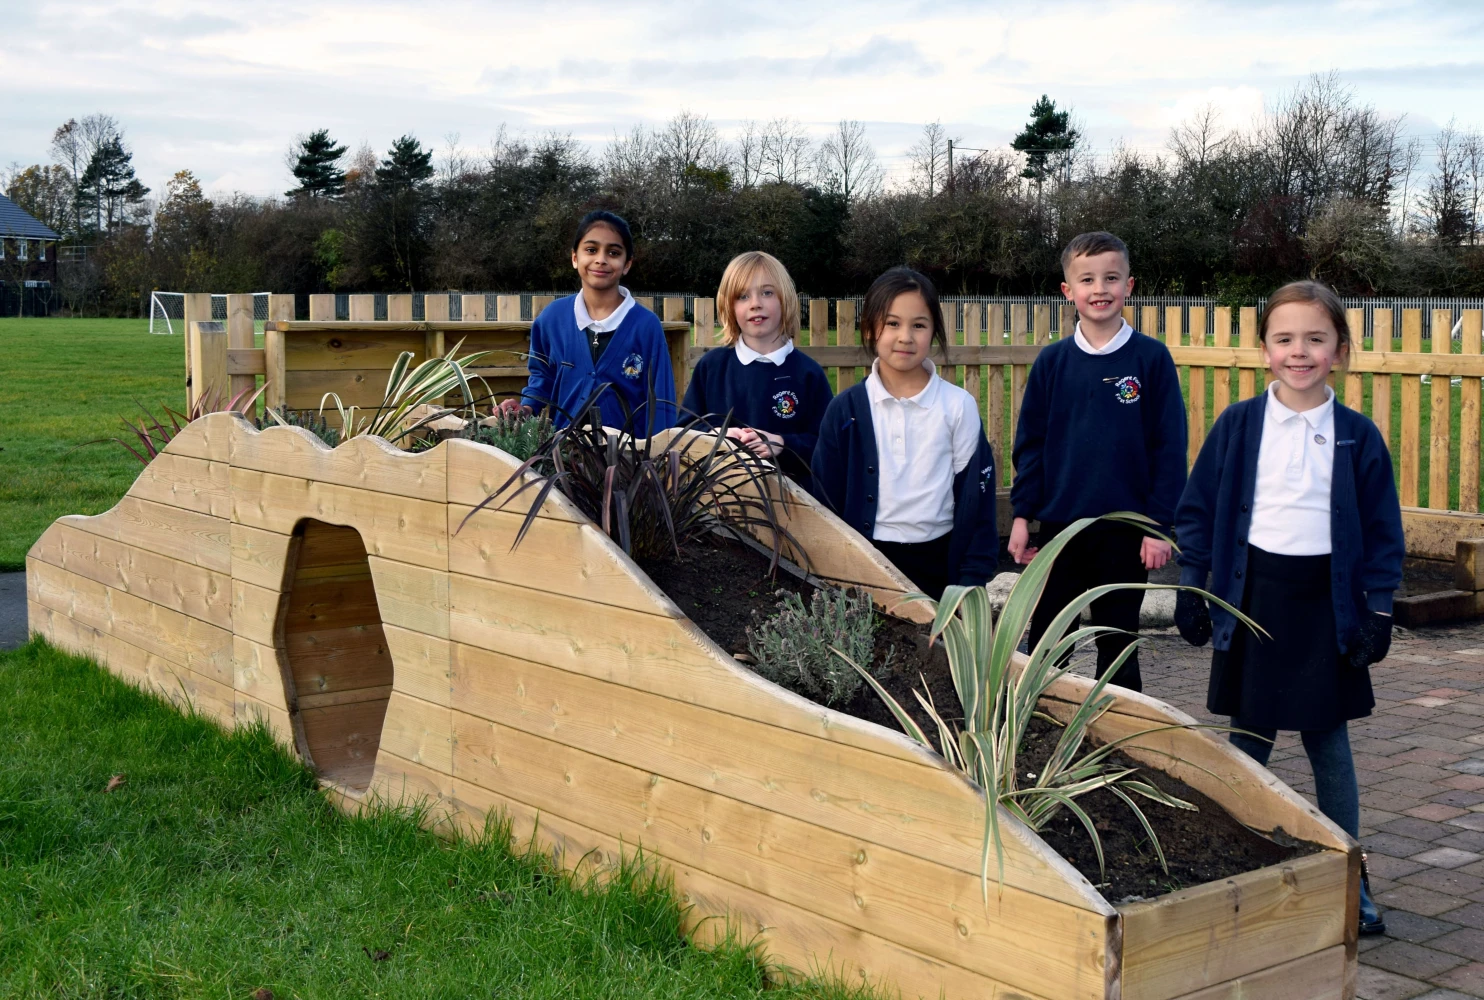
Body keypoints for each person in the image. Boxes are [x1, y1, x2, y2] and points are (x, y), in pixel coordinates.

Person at [1173, 279, 1402, 937]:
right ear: (1265, 348)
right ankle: (1231, 879)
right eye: (1285, 339)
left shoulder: (1358, 437)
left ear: (1339, 350)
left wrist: (1378, 611)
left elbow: (1384, 532)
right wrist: (1196, 584)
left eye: (1315, 339)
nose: (1299, 351)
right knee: (1247, 744)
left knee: (1330, 746)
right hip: (1254, 602)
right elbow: (1199, 510)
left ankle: (1349, 884)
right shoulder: (1239, 427)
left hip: (1325, 608)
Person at [1008, 231, 1187, 692]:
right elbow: (1030, 445)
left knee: (1117, 640)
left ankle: (1121, 740)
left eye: (1111, 277)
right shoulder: (1052, 363)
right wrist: (1023, 515)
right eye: (1087, 279)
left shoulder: (1151, 359)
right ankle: (1039, 728)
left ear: (1129, 285)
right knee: (1049, 640)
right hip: (1062, 529)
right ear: (1068, 291)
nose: (1100, 288)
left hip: (1126, 531)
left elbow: (1169, 448)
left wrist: (1158, 526)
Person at [811, 267, 997, 600]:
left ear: (934, 331)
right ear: (869, 328)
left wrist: (971, 582)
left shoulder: (958, 407)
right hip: (864, 573)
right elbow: (825, 503)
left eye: (919, 325)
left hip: (939, 571)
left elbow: (977, 506)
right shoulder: (845, 411)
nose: (905, 337)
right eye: (892, 323)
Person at [681, 251, 832, 489]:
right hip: (717, 505)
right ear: (729, 306)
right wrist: (718, 437)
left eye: (767, 292)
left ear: (785, 299)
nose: (755, 304)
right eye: (742, 296)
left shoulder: (808, 374)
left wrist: (781, 444)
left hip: (794, 509)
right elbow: (683, 434)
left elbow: (827, 448)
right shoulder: (711, 367)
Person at [514, 210, 676, 432]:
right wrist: (525, 409)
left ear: (627, 264)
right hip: (561, 456)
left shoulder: (646, 326)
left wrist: (660, 457)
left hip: (628, 460)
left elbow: (661, 400)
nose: (600, 259)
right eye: (591, 250)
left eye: (613, 252)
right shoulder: (552, 319)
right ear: (575, 258)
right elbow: (541, 380)